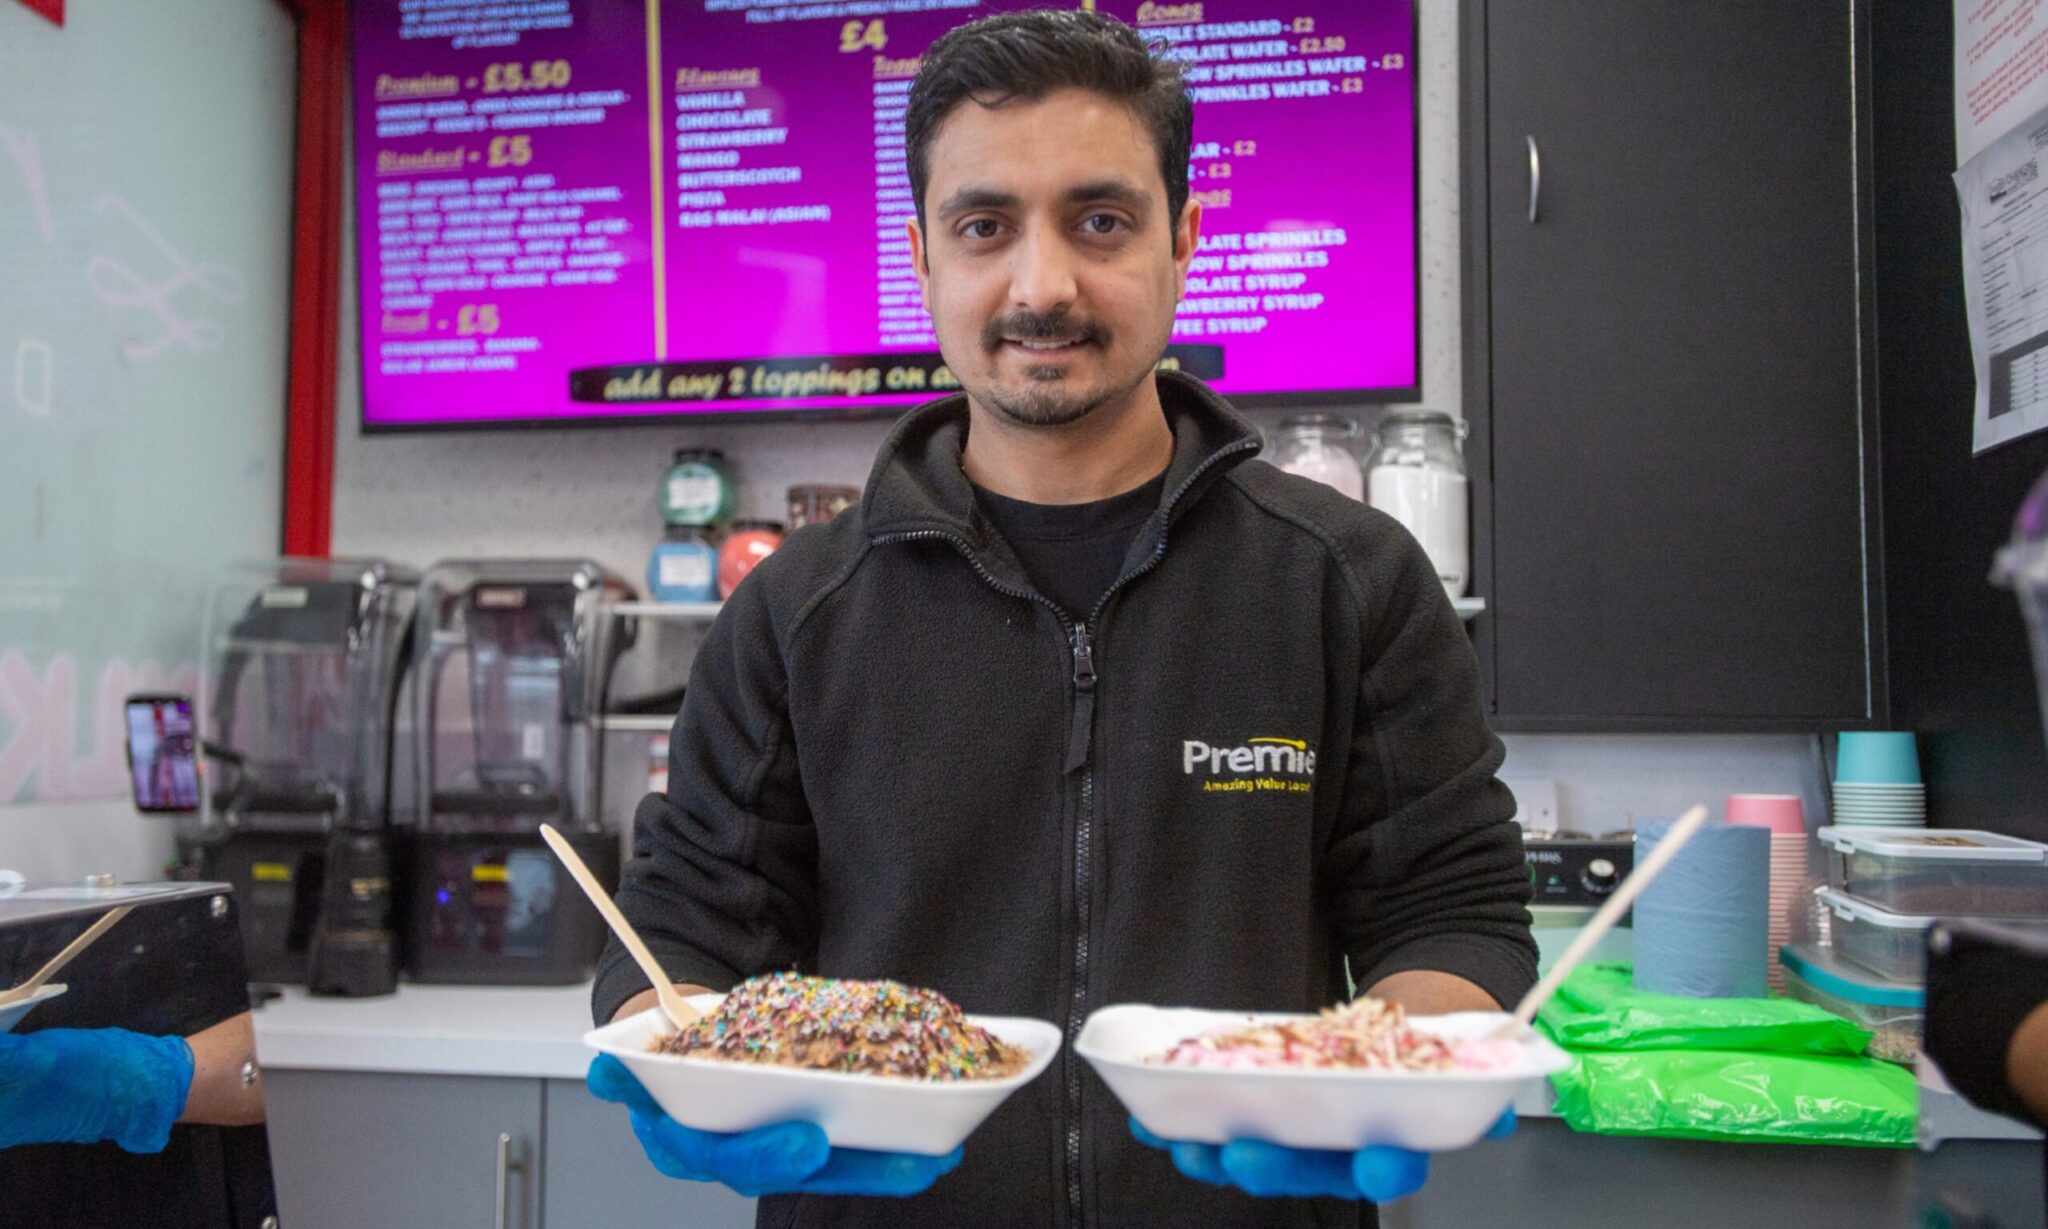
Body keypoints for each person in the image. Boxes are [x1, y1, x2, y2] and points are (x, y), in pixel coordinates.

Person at [591, 10, 1536, 1227]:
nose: (1042, 285)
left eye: (1100, 220)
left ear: (1183, 240)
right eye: (985, 227)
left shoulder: (1347, 579)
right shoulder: (791, 611)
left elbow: (1448, 908)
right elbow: (679, 923)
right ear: (923, 259)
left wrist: (1389, 1076)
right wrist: (667, 1060)